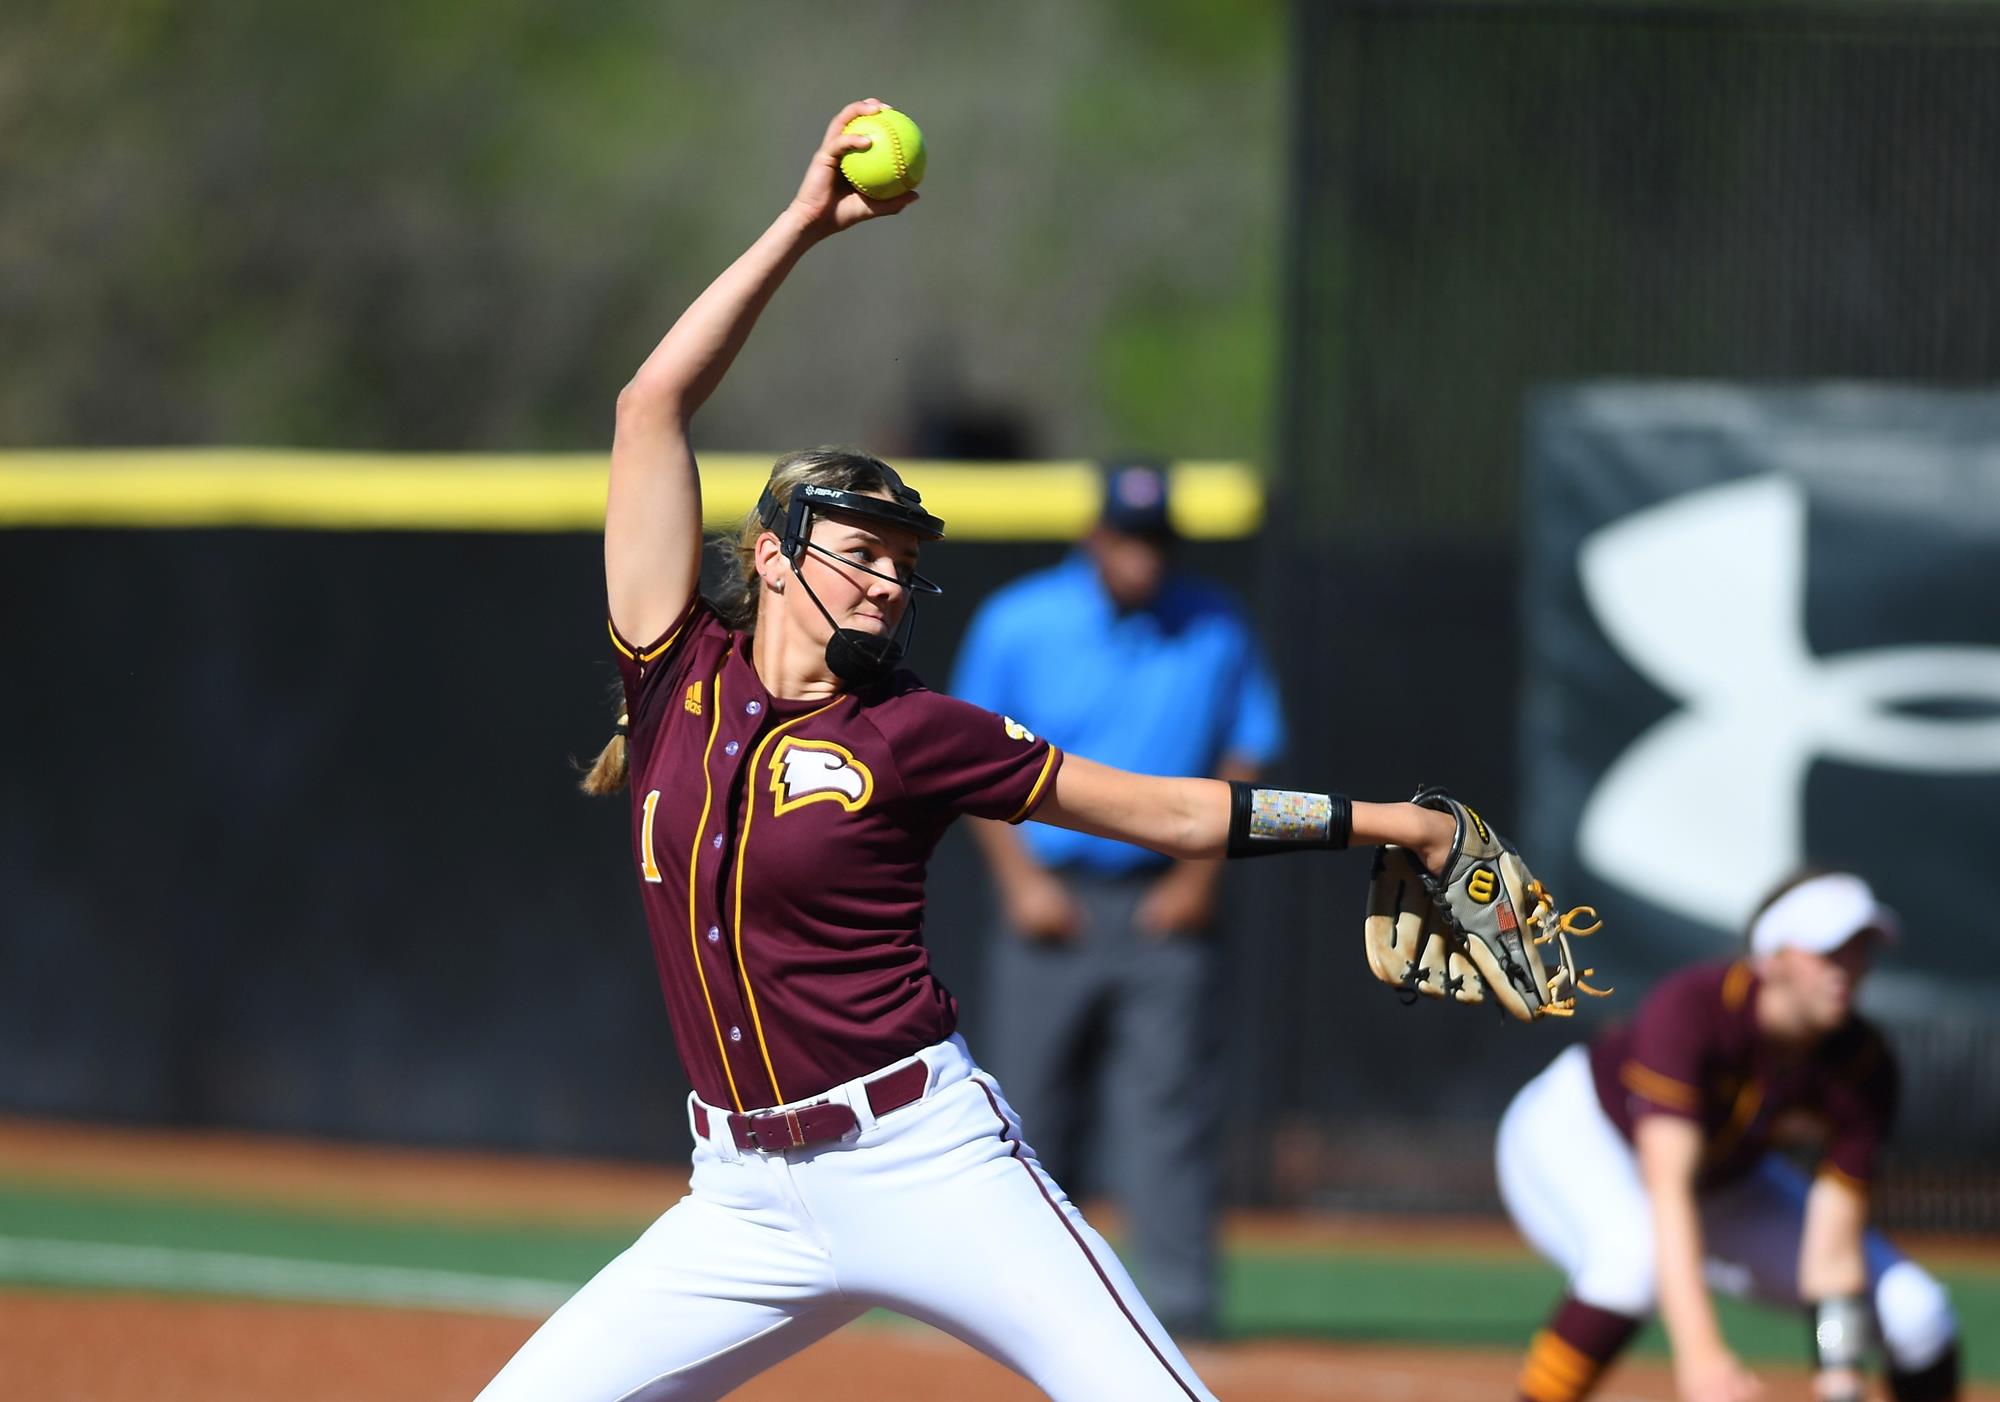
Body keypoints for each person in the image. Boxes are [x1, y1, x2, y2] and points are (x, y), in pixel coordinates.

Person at [473, 100, 1468, 1402]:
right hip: (740, 1199)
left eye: (905, 562)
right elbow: (650, 403)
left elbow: (1170, 816)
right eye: (862, 551)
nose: (890, 581)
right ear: (771, 554)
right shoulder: (673, 678)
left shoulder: (916, 731)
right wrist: (802, 225)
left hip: (923, 1158)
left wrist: (1398, 824)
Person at [950, 462, 1285, 1341]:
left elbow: (1246, 750)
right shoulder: (1020, 620)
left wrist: (1196, 880)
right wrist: (1020, 879)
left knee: (1169, 1106)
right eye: (1127, 538)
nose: (1142, 558)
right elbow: (964, 760)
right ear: (1094, 536)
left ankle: (1180, 1306)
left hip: (1162, 903)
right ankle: (1021, 1305)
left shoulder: (1215, 621)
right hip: (1049, 898)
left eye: (1156, 541)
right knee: (1025, 1107)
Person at [1495, 869, 1961, 1402]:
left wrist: (1842, 1379)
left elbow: (1832, 1252)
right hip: (1580, 1136)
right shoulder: (1692, 1008)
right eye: (1828, 949)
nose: (1847, 969)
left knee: (1916, 1310)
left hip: (1727, 1180)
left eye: (1860, 949)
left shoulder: (1863, 1067)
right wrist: (1702, 1357)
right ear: (1772, 957)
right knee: (1632, 1263)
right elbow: (1667, 1191)